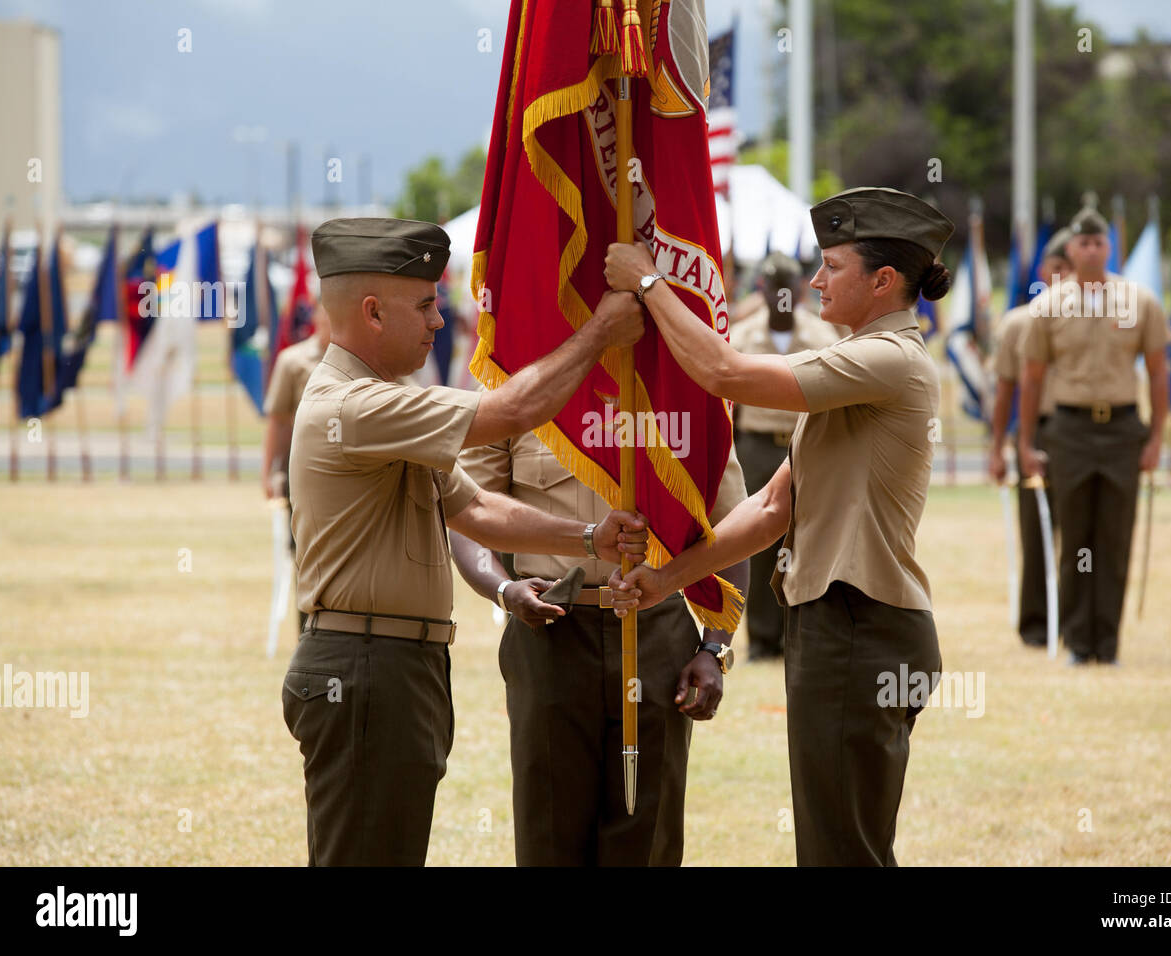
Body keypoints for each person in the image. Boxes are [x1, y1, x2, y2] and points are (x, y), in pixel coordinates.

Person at [281, 217, 649, 866]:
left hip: (393, 663)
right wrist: (599, 332)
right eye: (424, 304)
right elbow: (511, 412)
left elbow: (476, 508)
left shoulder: (386, 404)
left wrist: (589, 535)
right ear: (371, 312)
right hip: (367, 661)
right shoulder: (354, 406)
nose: (437, 320)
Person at [603, 186, 954, 866]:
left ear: (883, 281)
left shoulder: (888, 358)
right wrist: (666, 580)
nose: (815, 280)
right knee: (833, 843)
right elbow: (770, 510)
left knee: (842, 849)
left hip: (862, 622)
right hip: (843, 624)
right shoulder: (860, 362)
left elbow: (723, 372)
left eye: (833, 265)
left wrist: (650, 282)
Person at [451, 426, 749, 865]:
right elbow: (468, 514)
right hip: (550, 630)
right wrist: (501, 590)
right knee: (548, 828)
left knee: (649, 829)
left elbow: (732, 526)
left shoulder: (680, 389)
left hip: (655, 629)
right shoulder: (515, 388)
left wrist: (714, 648)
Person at [1018, 207, 1170, 666]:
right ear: (1070, 250)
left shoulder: (1140, 301)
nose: (1090, 249)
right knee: (1077, 538)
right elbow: (1032, 378)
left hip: (1124, 427)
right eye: (1082, 243)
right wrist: (1026, 443)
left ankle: (1109, 643)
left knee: (1115, 538)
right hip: (1070, 429)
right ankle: (1078, 642)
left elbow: (1160, 372)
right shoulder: (1047, 305)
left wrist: (1156, 437)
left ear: (1109, 247)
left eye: (1098, 241)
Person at [729, 252, 843, 660]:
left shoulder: (824, 337)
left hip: (805, 443)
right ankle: (761, 639)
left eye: (788, 289)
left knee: (810, 541)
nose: (782, 296)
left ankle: (802, 636)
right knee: (758, 545)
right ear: (762, 291)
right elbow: (731, 406)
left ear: (798, 291)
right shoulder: (741, 338)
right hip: (757, 446)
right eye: (773, 288)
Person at [988, 228, 1072, 648]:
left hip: (1077, 429)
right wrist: (998, 448)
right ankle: (1038, 625)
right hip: (1034, 429)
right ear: (1043, 270)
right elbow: (1005, 389)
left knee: (1080, 533)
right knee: (1036, 531)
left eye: (1070, 270)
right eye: (1057, 269)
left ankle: (1076, 621)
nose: (1063, 278)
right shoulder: (1019, 322)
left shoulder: (1092, 318)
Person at [262, 302, 331, 633]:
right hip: (301, 475)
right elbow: (278, 420)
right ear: (317, 314)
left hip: (348, 476)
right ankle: (308, 633)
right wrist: (269, 472)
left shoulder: (366, 361)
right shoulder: (293, 361)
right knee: (305, 557)